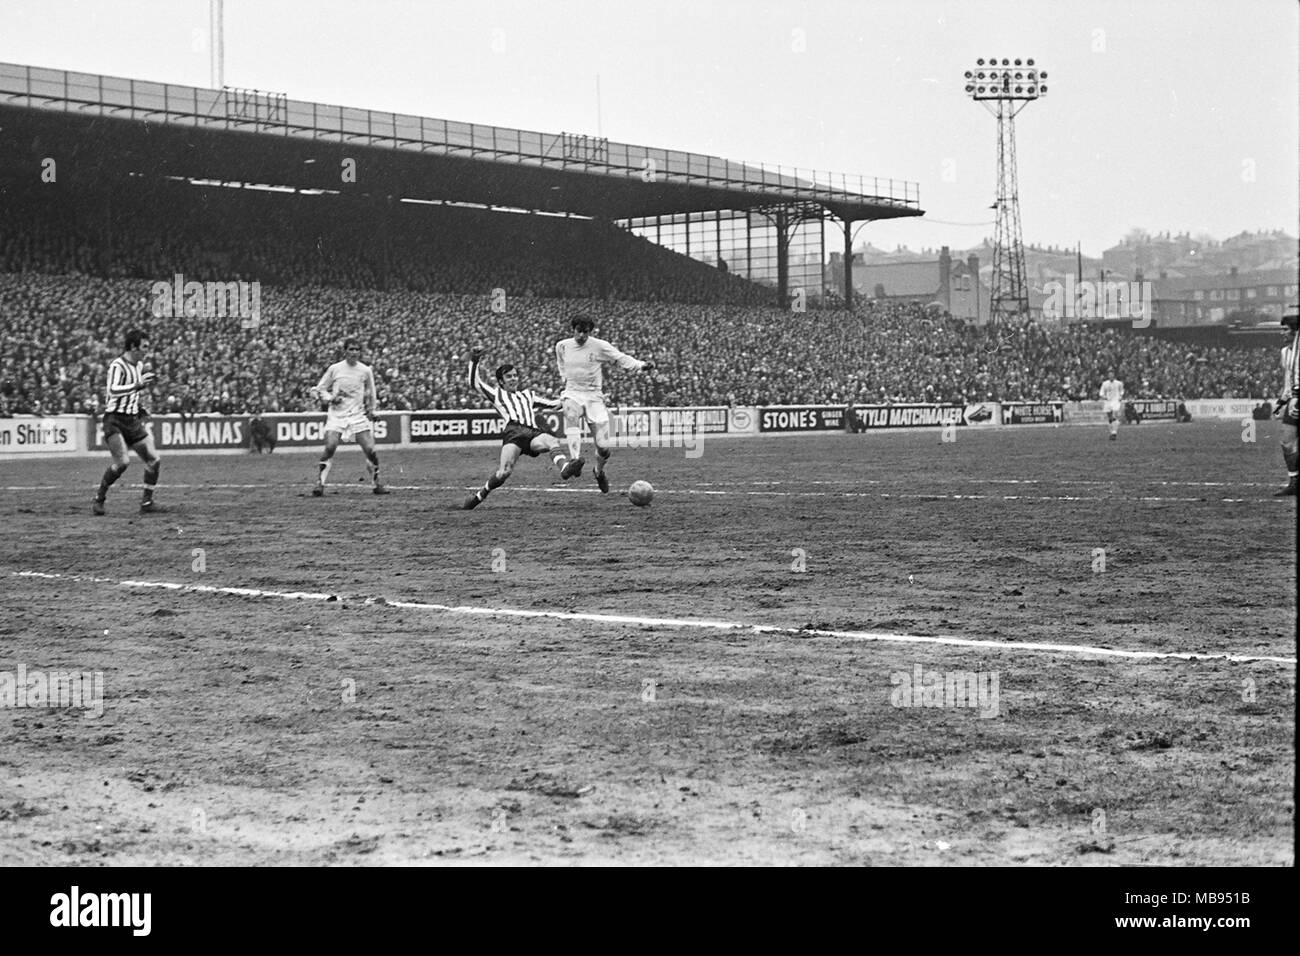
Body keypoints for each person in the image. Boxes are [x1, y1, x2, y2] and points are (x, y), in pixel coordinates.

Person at [460, 348, 585, 509]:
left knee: (551, 440)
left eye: (515, 375)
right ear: (501, 381)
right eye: (509, 376)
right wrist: (475, 361)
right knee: (504, 472)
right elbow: (474, 383)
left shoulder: (528, 395)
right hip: (513, 433)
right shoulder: (496, 394)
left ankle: (565, 468)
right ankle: (480, 495)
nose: (513, 379)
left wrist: (570, 396)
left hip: (532, 432)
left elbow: (554, 404)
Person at [554, 314, 655, 493]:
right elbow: (561, 363)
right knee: (570, 413)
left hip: (594, 398)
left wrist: (639, 365)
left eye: (586, 332)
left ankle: (598, 472)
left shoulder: (599, 346)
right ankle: (575, 460)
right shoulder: (562, 346)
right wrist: (564, 378)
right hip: (573, 393)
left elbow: (620, 357)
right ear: (573, 329)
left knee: (603, 447)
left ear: (590, 332)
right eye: (579, 331)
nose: (582, 336)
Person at [93, 329, 163, 515]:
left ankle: (147, 502)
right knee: (122, 462)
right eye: (144, 347)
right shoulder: (118, 365)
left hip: (132, 420)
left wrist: (138, 407)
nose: (147, 351)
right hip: (114, 419)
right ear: (133, 346)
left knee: (154, 459)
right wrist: (136, 386)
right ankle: (99, 498)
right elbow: (113, 390)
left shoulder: (138, 365)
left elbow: (131, 392)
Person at [311, 339, 389, 496]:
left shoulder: (365, 370)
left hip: (357, 415)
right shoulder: (335, 369)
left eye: (357, 349)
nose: (354, 352)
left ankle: (376, 483)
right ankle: (320, 483)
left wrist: (372, 411)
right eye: (351, 349)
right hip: (337, 415)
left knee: (370, 449)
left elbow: (372, 393)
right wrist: (330, 398)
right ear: (345, 351)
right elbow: (319, 390)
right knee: (330, 446)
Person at [1272, 306, 1300, 496]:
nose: (1282, 333)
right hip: (1293, 400)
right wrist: (1283, 400)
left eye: (1285, 329)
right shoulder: (1285, 353)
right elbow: (1288, 378)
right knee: (1286, 442)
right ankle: (1294, 482)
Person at [1099, 371, 1124, 440]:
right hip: (1108, 401)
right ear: (1108, 376)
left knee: (1114, 415)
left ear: (1114, 376)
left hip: (1116, 401)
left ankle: (1114, 432)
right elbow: (1101, 392)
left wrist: (1121, 396)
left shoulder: (1119, 383)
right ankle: (1112, 432)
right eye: (1109, 375)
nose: (1111, 376)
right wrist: (1103, 397)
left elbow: (1121, 391)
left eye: (1112, 375)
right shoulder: (1105, 383)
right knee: (1110, 418)